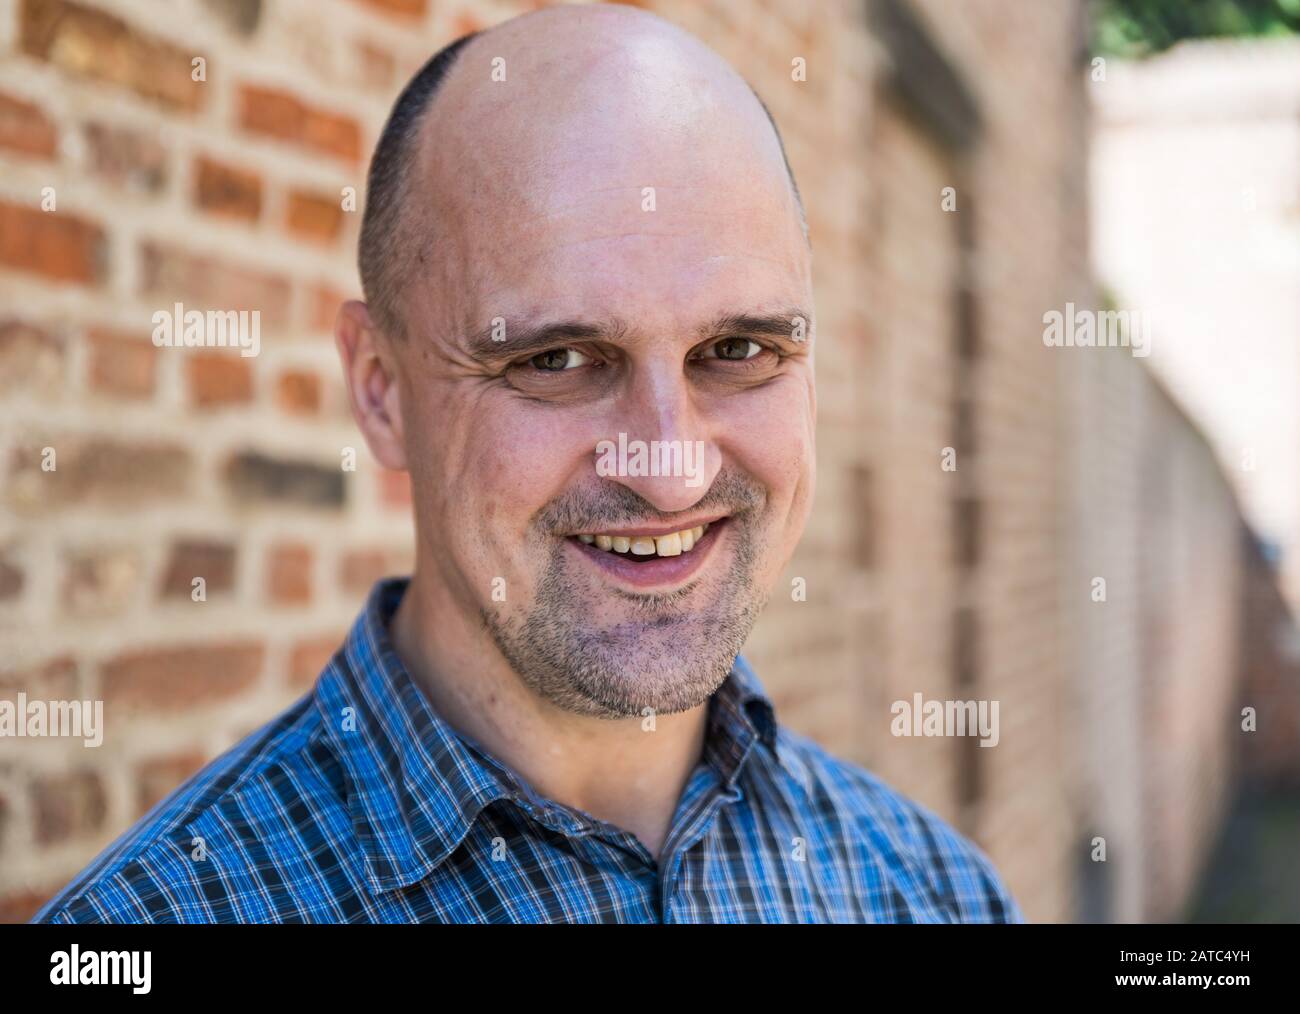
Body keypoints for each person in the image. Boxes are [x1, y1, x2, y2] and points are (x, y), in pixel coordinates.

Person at [34, 3, 1022, 923]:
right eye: (555, 361)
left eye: (737, 352)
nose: (669, 470)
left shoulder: (932, 894)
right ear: (381, 388)